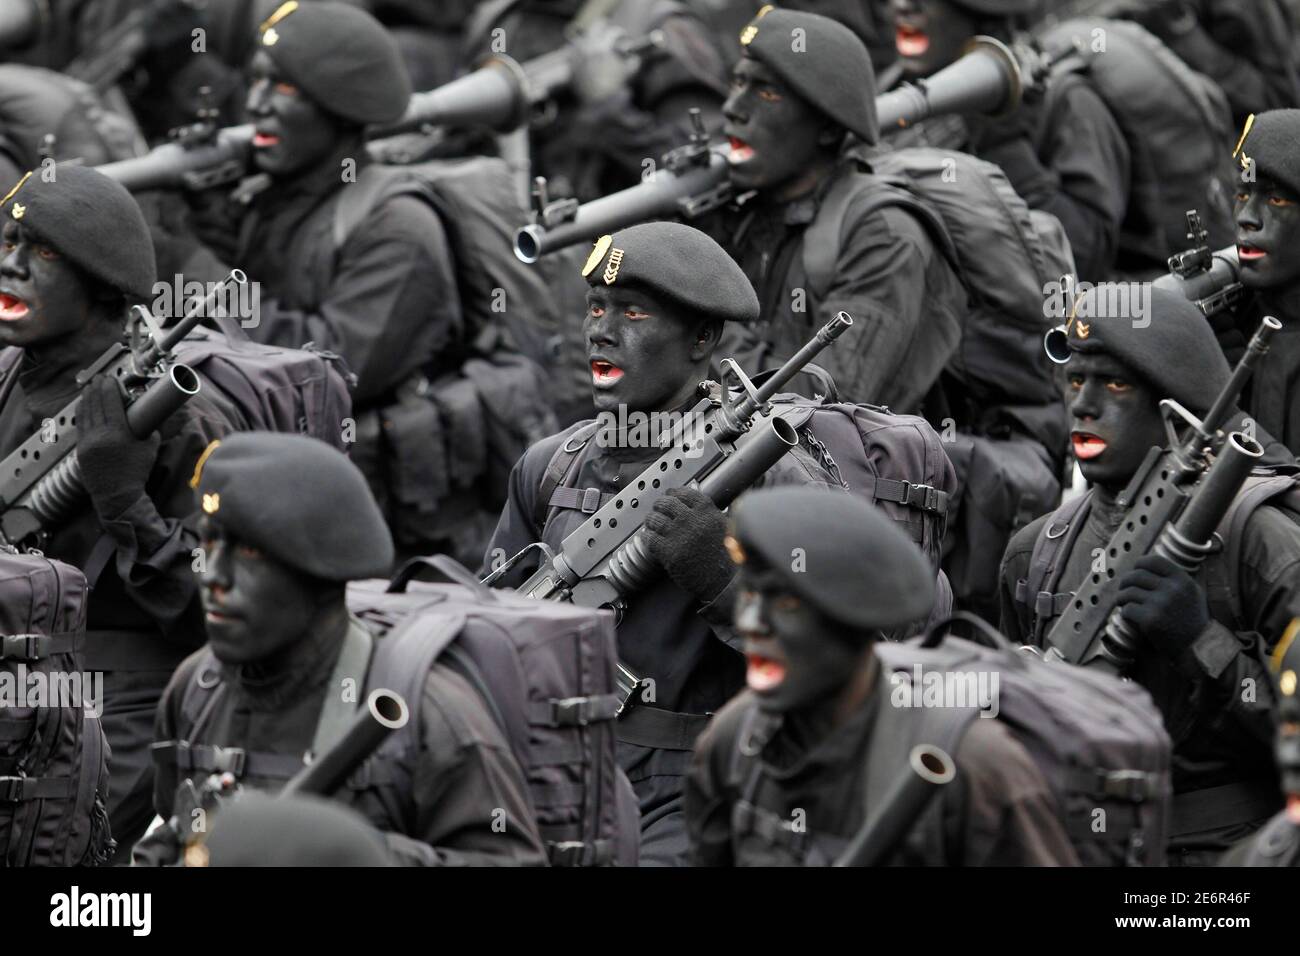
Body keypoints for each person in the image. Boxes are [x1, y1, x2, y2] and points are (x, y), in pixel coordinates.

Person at [483, 221, 840, 865]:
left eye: (632, 311)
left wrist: (723, 580)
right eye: (595, 306)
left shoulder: (770, 471)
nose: (602, 329)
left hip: (701, 781)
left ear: (703, 338)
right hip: (553, 769)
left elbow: (847, 662)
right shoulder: (551, 467)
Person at [145, 432, 548, 866]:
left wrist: (354, 853)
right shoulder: (196, 689)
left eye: (248, 550)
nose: (213, 576)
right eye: (208, 542)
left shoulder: (432, 716)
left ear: (321, 569)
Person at [1000, 285, 1300, 865]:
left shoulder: (1259, 538)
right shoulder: (1036, 551)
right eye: (1076, 381)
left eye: (1114, 385)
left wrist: (1201, 643)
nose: (1083, 405)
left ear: (1174, 406)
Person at [171, 0, 464, 561]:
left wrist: (189, 266)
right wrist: (202, 222)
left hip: (388, 530)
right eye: (255, 81)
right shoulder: (273, 196)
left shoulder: (398, 223)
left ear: (339, 108)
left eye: (283, 89)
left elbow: (329, 367)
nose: (254, 105)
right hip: (286, 492)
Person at [0, 163, 234, 858]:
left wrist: (124, 501)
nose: (9, 266)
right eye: (9, 244)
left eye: (40, 254)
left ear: (101, 284)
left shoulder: (178, 421)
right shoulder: (10, 374)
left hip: (116, 700)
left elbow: (216, 617)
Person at [685, 485, 1079, 865]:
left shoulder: (978, 766)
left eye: (786, 603)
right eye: (750, 596)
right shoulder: (733, 741)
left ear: (853, 621)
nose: (752, 622)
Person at [713, 6, 966, 413]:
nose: (733, 108)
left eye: (766, 92)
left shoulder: (883, 234)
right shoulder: (748, 214)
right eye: (738, 82)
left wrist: (699, 307)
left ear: (829, 127)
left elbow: (821, 409)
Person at [887, 0, 1130, 281]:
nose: (902, 6)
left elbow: (1085, 260)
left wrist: (1006, 148)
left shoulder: (1066, 102)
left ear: (988, 19)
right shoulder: (898, 90)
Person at [461, 0, 730, 202]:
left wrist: (607, 104)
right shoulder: (503, 18)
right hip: (498, 225)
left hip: (612, 251)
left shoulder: (662, 27)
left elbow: (711, 172)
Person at [1216, 109, 1300, 458]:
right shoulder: (1234, 316)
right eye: (1242, 195)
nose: (1246, 217)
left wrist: (1218, 408)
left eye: (1275, 199)